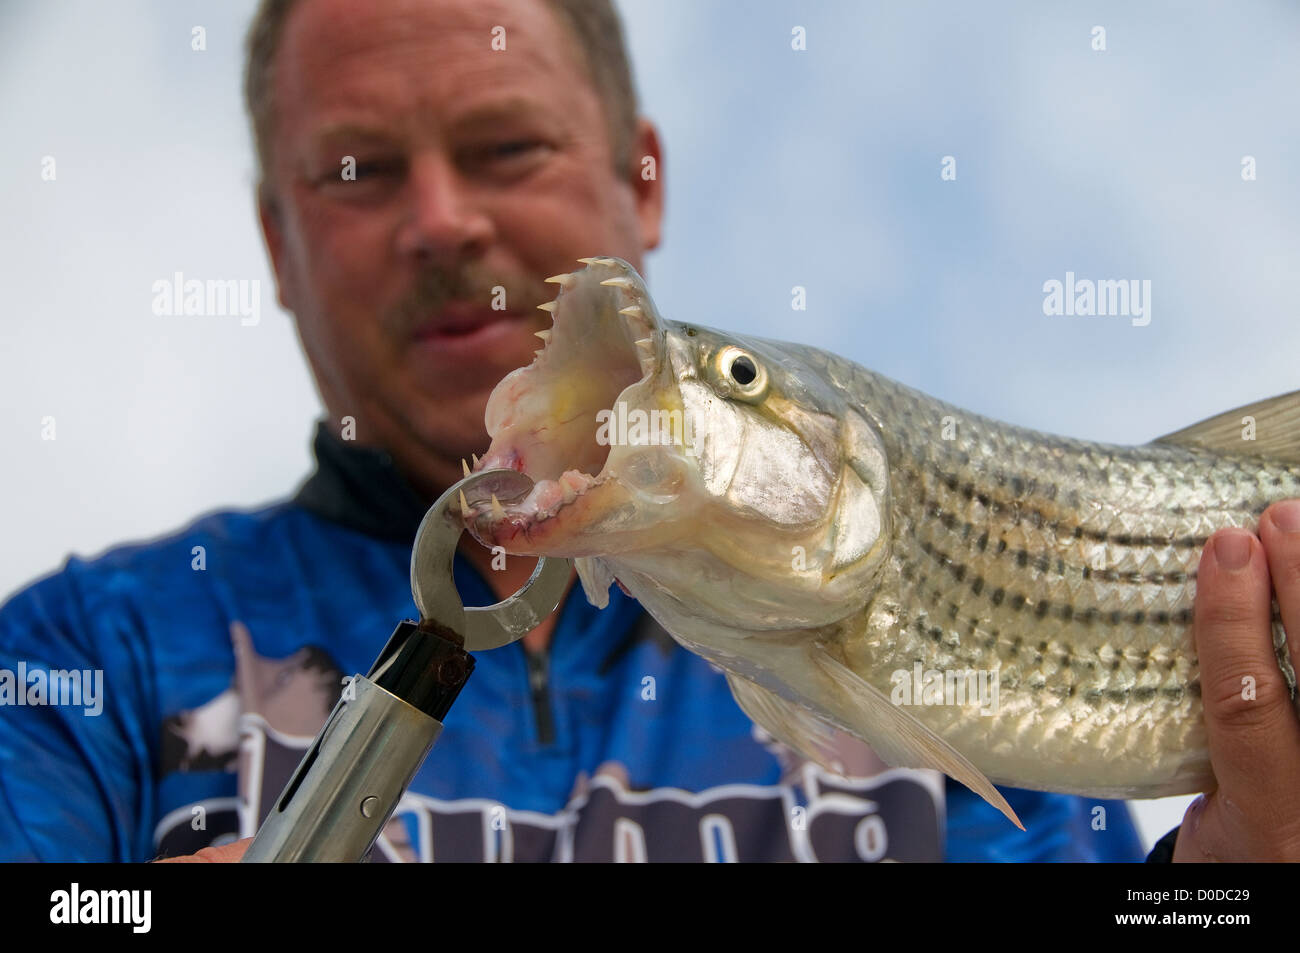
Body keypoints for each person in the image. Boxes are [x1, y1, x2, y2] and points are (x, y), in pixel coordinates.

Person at [2, 0, 1296, 863]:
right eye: (357, 173)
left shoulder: (958, 700)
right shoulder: (82, 655)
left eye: (505, 144)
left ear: (644, 179)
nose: (442, 222)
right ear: (274, 246)